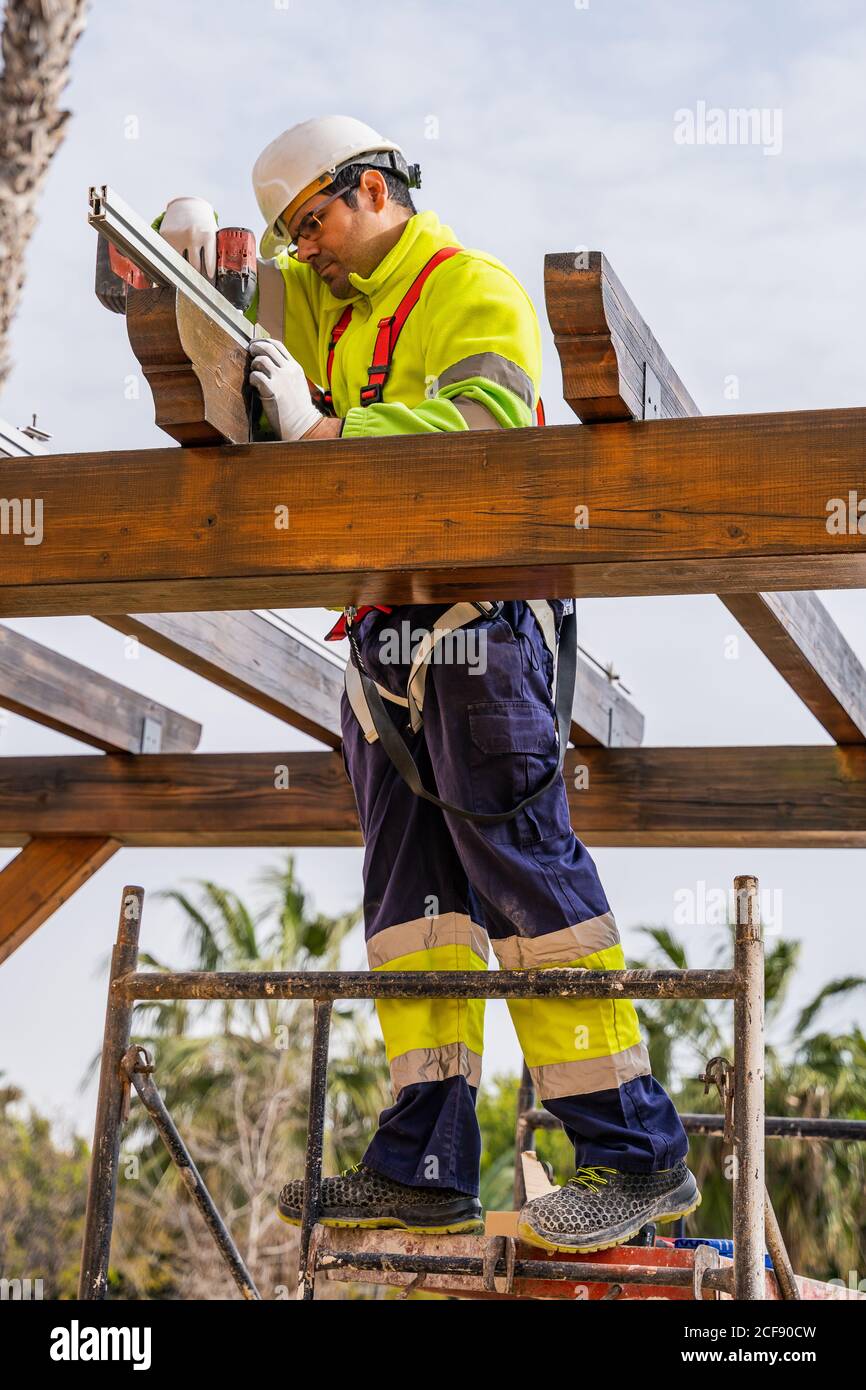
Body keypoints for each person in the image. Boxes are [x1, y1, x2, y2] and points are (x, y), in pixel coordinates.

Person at [158, 114, 700, 1253]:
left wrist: (328, 429)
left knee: (525, 884)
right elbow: (235, 325)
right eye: (292, 234)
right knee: (411, 911)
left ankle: (632, 1157)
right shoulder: (325, 301)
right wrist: (176, 274)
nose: (302, 248)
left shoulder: (472, 291)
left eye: (311, 223)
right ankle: (426, 1161)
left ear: (370, 190)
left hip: (474, 624)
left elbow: (486, 425)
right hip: (380, 643)